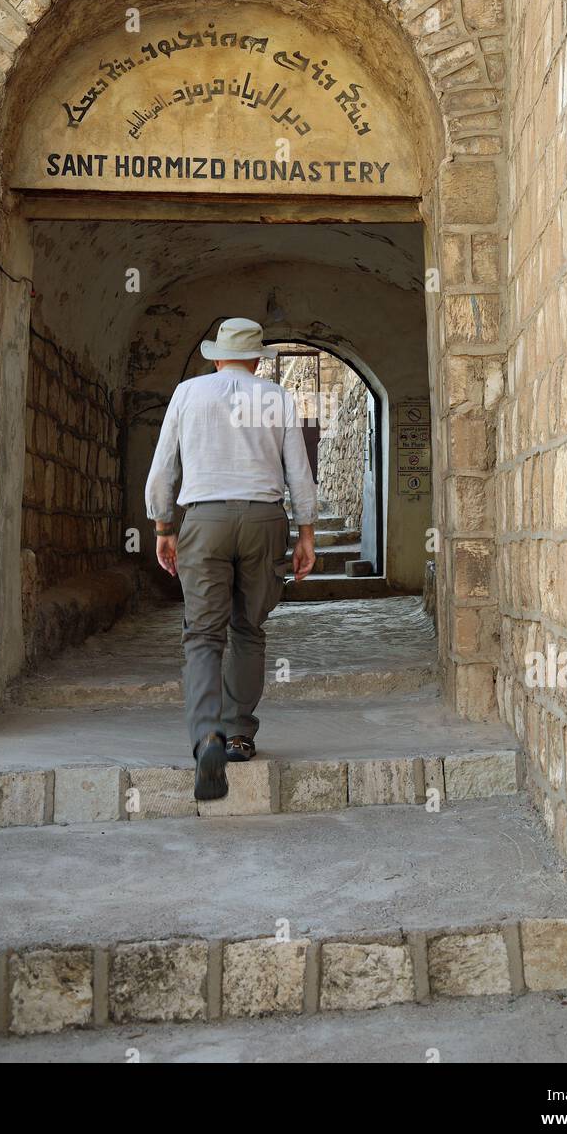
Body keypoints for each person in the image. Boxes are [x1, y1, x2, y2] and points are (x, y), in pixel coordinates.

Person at [145, 318, 317, 800]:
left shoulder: (188, 393)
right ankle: (239, 733)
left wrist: (163, 527)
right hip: (264, 520)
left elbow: (163, 472)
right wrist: (306, 534)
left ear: (217, 356)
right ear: (258, 359)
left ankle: (207, 737)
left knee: (202, 634)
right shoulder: (278, 397)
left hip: (205, 520)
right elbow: (299, 475)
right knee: (247, 628)